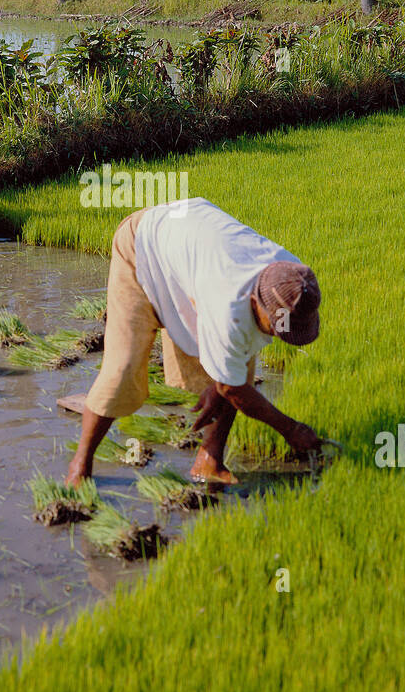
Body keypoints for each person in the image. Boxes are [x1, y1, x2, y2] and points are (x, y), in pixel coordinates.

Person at [66, 196, 323, 487]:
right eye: (277, 329)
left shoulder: (294, 278)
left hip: (188, 248)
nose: (279, 336)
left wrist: (224, 384)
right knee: (122, 371)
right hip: (142, 248)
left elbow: (231, 379)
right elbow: (233, 388)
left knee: (237, 371)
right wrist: (290, 429)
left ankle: (209, 460)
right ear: (254, 301)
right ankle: (81, 463)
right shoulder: (227, 305)